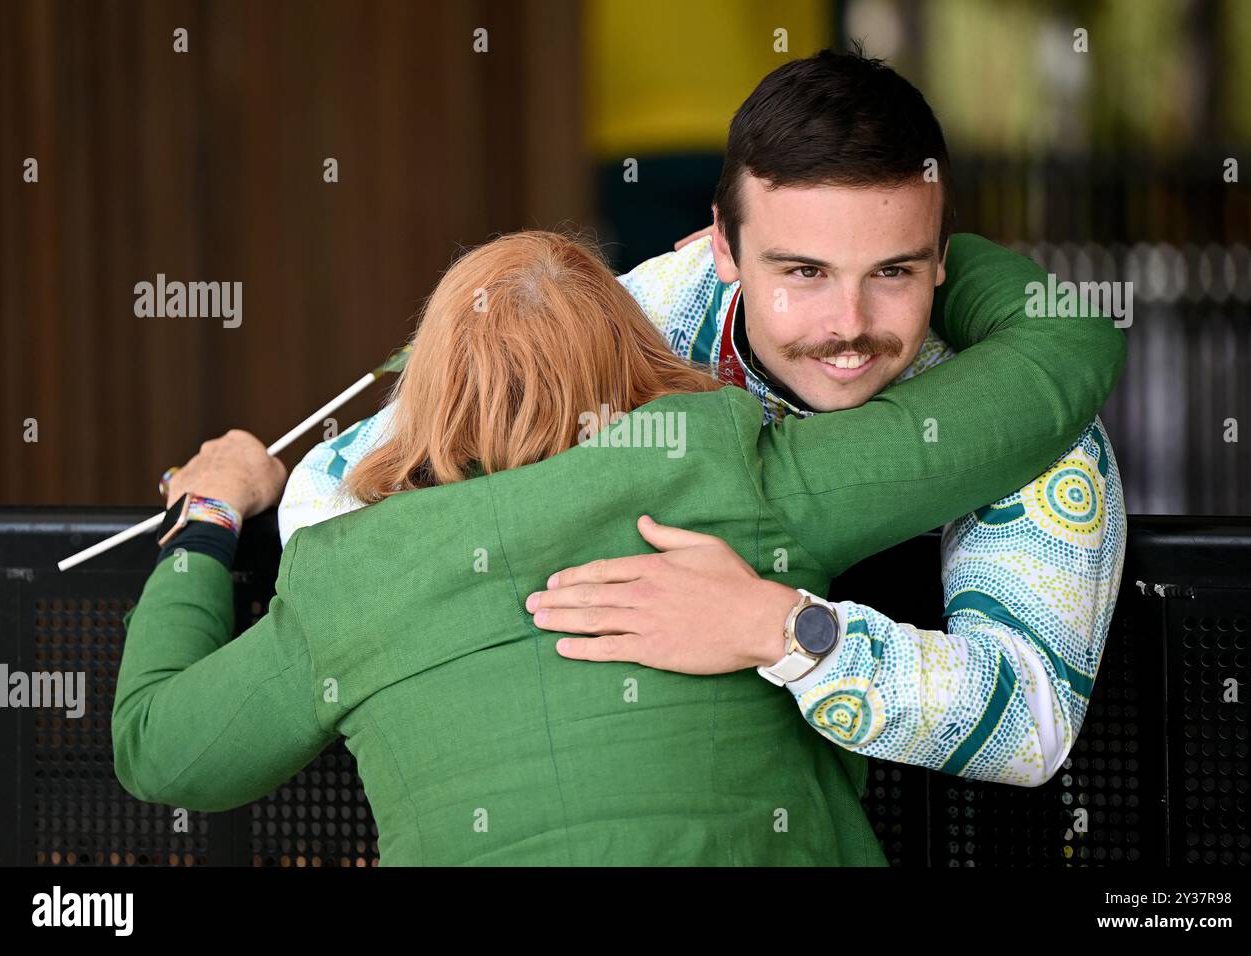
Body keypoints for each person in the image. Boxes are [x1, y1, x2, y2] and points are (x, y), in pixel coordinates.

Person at [114, 226, 1121, 866]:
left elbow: (159, 746)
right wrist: (923, 250)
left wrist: (207, 518)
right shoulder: (738, 472)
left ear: (422, 394)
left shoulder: (344, 575)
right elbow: (1056, 360)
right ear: (639, 354)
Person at [281, 47, 1128, 790]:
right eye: (802, 271)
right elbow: (328, 489)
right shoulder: (646, 314)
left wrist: (781, 629)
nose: (848, 324)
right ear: (720, 246)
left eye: (894, 272)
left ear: (943, 259)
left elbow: (1033, 725)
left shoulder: (1024, 413)